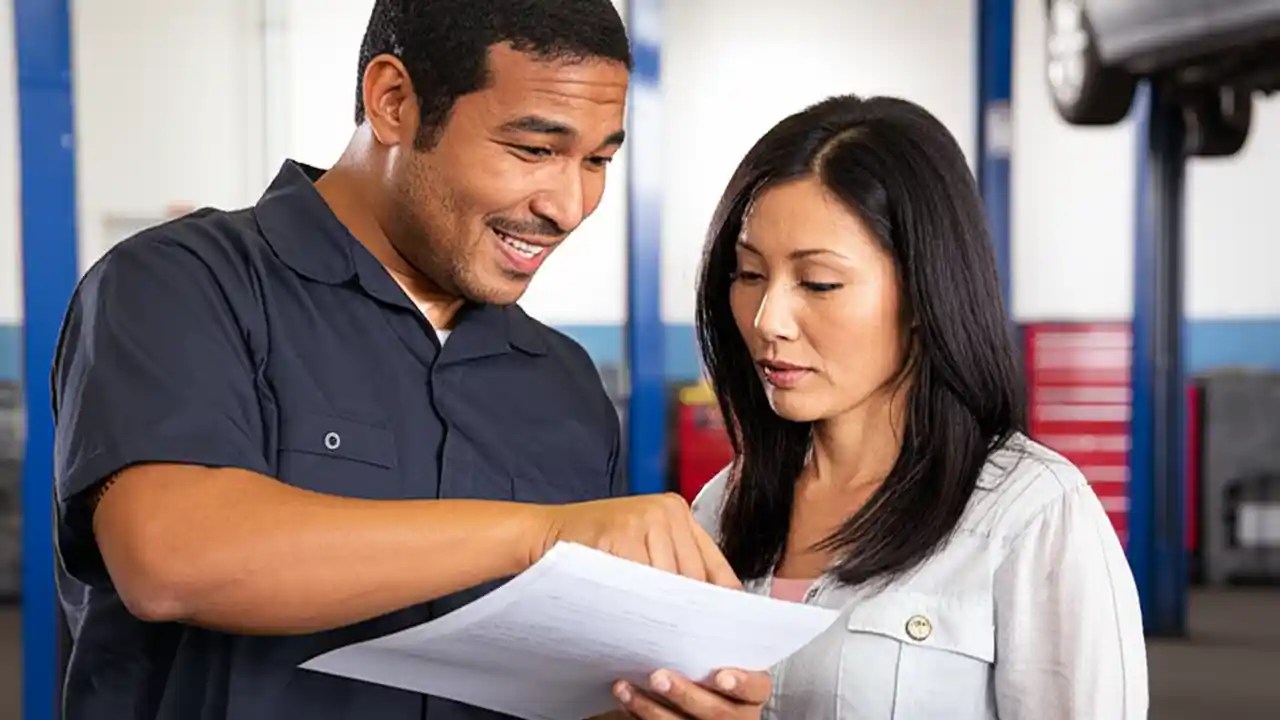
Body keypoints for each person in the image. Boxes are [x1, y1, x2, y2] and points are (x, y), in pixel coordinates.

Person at [51, 2, 768, 718]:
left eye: (599, 161)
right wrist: (540, 534)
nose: (570, 204)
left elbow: (565, 686)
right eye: (533, 150)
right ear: (393, 101)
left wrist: (657, 705)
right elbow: (173, 560)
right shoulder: (181, 287)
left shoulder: (564, 386)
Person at [670, 94, 1149, 718]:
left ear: (924, 296)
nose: (768, 320)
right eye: (749, 274)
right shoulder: (720, 509)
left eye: (818, 283)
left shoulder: (1031, 516)